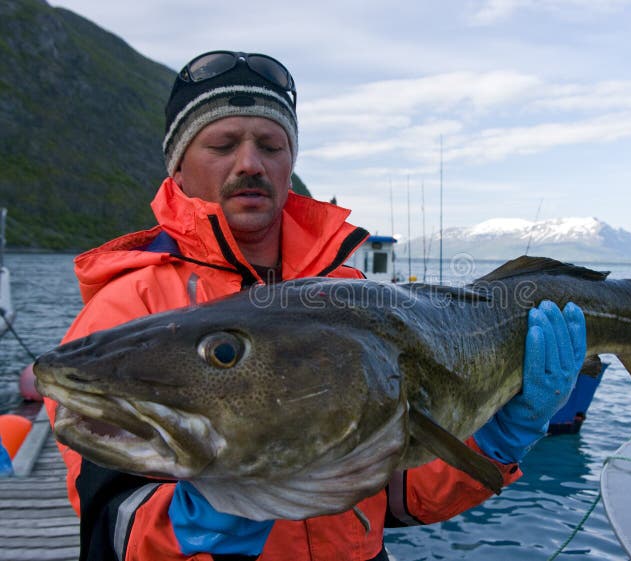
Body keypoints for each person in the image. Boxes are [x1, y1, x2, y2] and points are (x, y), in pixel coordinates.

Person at [44, 50, 587, 561]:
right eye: (223, 144)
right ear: (178, 166)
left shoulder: (353, 290)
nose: (250, 163)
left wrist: (496, 439)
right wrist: (191, 526)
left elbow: (397, 496)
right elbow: (112, 530)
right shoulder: (124, 309)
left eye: (271, 146)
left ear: (289, 163)